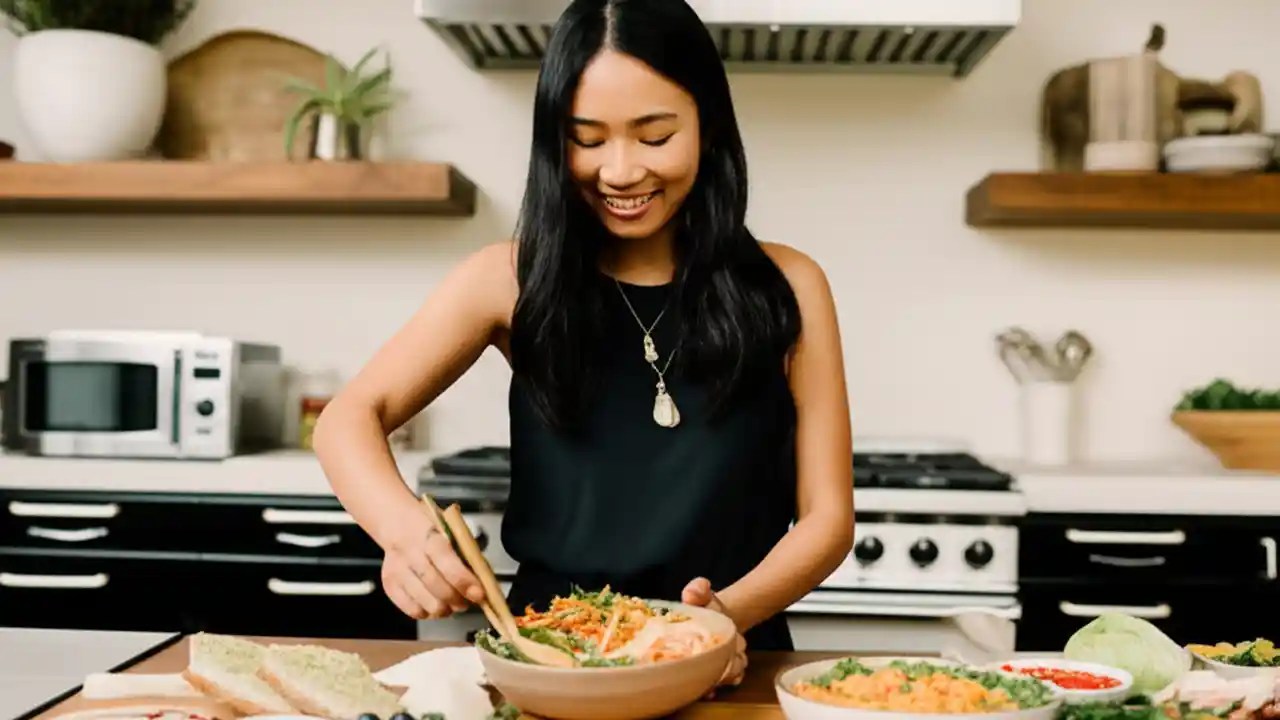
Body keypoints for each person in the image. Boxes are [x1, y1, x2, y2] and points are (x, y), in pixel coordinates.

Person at [313, 0, 854, 688]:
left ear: (710, 127)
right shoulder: (505, 278)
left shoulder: (792, 284)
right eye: (588, 139)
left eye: (654, 136)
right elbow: (347, 418)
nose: (621, 170)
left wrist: (717, 622)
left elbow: (828, 519)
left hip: (729, 660)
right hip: (549, 665)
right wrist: (404, 535)